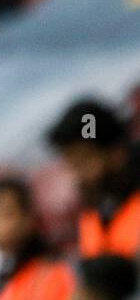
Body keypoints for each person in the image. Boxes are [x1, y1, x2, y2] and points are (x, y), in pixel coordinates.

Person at [48, 99, 140, 261]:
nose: (77, 174)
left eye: (84, 160)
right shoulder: (91, 216)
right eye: (71, 164)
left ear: (116, 152)